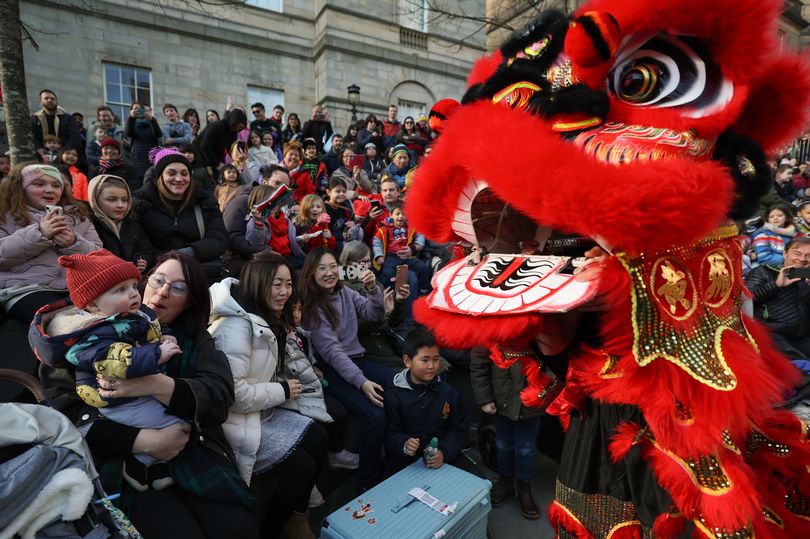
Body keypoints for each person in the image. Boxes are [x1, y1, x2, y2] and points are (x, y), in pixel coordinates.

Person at [37, 252, 259, 538]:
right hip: (116, 458)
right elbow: (62, 409)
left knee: (238, 527)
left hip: (187, 450)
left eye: (178, 288)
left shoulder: (194, 339)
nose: (163, 292)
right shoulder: (82, 332)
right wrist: (142, 441)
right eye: (159, 280)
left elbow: (218, 396)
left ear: (190, 301)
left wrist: (155, 385)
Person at [35, 250, 184, 491]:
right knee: (176, 421)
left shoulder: (126, 315)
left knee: (173, 420)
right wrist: (157, 354)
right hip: (113, 401)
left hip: (135, 393)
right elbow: (112, 360)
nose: (133, 293)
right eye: (121, 290)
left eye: (134, 286)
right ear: (93, 305)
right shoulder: (91, 332)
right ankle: (137, 461)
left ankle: (152, 466)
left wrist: (165, 336)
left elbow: (150, 325)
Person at [209, 252, 327, 538]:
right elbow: (234, 395)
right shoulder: (234, 327)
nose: (284, 292)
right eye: (277, 284)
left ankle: (297, 516)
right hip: (235, 421)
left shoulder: (264, 315)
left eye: (288, 284)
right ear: (258, 282)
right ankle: (272, 529)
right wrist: (282, 390)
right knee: (302, 466)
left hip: (258, 411)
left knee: (319, 436)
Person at [299, 247, 391, 489]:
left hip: (357, 359)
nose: (329, 273)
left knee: (397, 382)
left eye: (332, 267)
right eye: (321, 268)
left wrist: (372, 290)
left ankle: (393, 451)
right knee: (374, 415)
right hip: (332, 368)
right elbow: (332, 352)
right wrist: (362, 382)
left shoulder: (345, 292)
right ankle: (368, 479)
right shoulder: (313, 308)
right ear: (311, 273)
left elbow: (373, 314)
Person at [0, 163, 102, 324]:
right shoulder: (4, 215)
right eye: (39, 184)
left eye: (56, 185)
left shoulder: (78, 215)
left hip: (77, 287)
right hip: (26, 290)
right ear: (21, 189)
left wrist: (73, 243)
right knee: (65, 323)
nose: (50, 190)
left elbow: (99, 258)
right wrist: (39, 234)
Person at [384, 327, 470, 476]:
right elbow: (389, 433)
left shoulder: (449, 393)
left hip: (442, 457)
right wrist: (404, 444)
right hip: (406, 461)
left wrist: (444, 452)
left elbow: (460, 431)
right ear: (407, 361)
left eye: (436, 359)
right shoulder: (393, 394)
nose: (431, 366)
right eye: (424, 360)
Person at [469, 346, 543, 519]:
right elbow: (479, 363)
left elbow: (554, 358)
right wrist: (485, 398)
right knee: (503, 444)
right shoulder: (490, 331)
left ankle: (524, 487)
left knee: (526, 449)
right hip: (502, 398)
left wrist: (544, 389)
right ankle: (506, 480)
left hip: (532, 400)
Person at [133, 148, 227, 281]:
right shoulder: (142, 204)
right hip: (157, 274)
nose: (179, 179)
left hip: (200, 273)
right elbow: (138, 244)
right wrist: (165, 259)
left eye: (184, 173)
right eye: (171, 173)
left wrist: (190, 252)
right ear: (160, 176)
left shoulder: (205, 201)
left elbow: (219, 239)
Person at [338, 241, 411, 367]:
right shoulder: (343, 288)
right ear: (347, 262)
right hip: (368, 344)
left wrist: (399, 301)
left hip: (389, 337)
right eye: (362, 262)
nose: (367, 266)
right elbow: (353, 328)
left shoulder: (376, 284)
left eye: (368, 261)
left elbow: (394, 322)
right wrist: (383, 315)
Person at [745, 236, 810, 358]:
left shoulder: (807, 278)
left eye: (808, 256)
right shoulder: (764, 271)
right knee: (797, 362)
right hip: (772, 334)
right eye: (797, 253)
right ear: (785, 253)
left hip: (803, 336)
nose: (802, 259)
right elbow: (745, 299)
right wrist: (776, 285)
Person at [87, 174, 155, 271]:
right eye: (112, 200)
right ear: (95, 200)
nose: (121, 205)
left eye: (125, 200)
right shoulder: (89, 225)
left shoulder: (132, 223)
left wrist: (144, 261)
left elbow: (147, 250)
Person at [372, 201, 429, 295]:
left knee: (423, 268)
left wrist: (417, 245)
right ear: (391, 215)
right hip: (391, 256)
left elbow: (419, 234)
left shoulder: (410, 226)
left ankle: (423, 290)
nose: (401, 216)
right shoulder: (385, 228)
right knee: (387, 273)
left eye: (404, 214)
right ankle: (389, 293)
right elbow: (377, 242)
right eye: (398, 214)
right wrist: (379, 255)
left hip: (407, 255)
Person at [290, 194, 335, 267]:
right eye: (311, 207)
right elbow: (294, 246)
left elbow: (331, 246)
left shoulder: (324, 223)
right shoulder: (299, 224)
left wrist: (330, 238)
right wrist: (302, 242)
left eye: (318, 207)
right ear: (304, 208)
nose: (315, 209)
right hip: (308, 259)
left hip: (322, 256)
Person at [125, 103, 162, 185]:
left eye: (140, 109)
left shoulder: (151, 123)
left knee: (152, 180)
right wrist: (131, 118)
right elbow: (128, 133)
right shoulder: (132, 123)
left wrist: (152, 119)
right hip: (138, 158)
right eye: (135, 109)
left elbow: (159, 134)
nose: (138, 111)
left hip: (151, 157)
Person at [324, 178, 363, 253]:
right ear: (328, 192)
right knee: (355, 251)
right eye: (337, 191)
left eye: (344, 191)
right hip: (334, 243)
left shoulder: (347, 205)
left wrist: (353, 222)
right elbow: (326, 234)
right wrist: (342, 235)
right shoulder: (324, 210)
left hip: (347, 237)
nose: (342, 194)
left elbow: (352, 218)